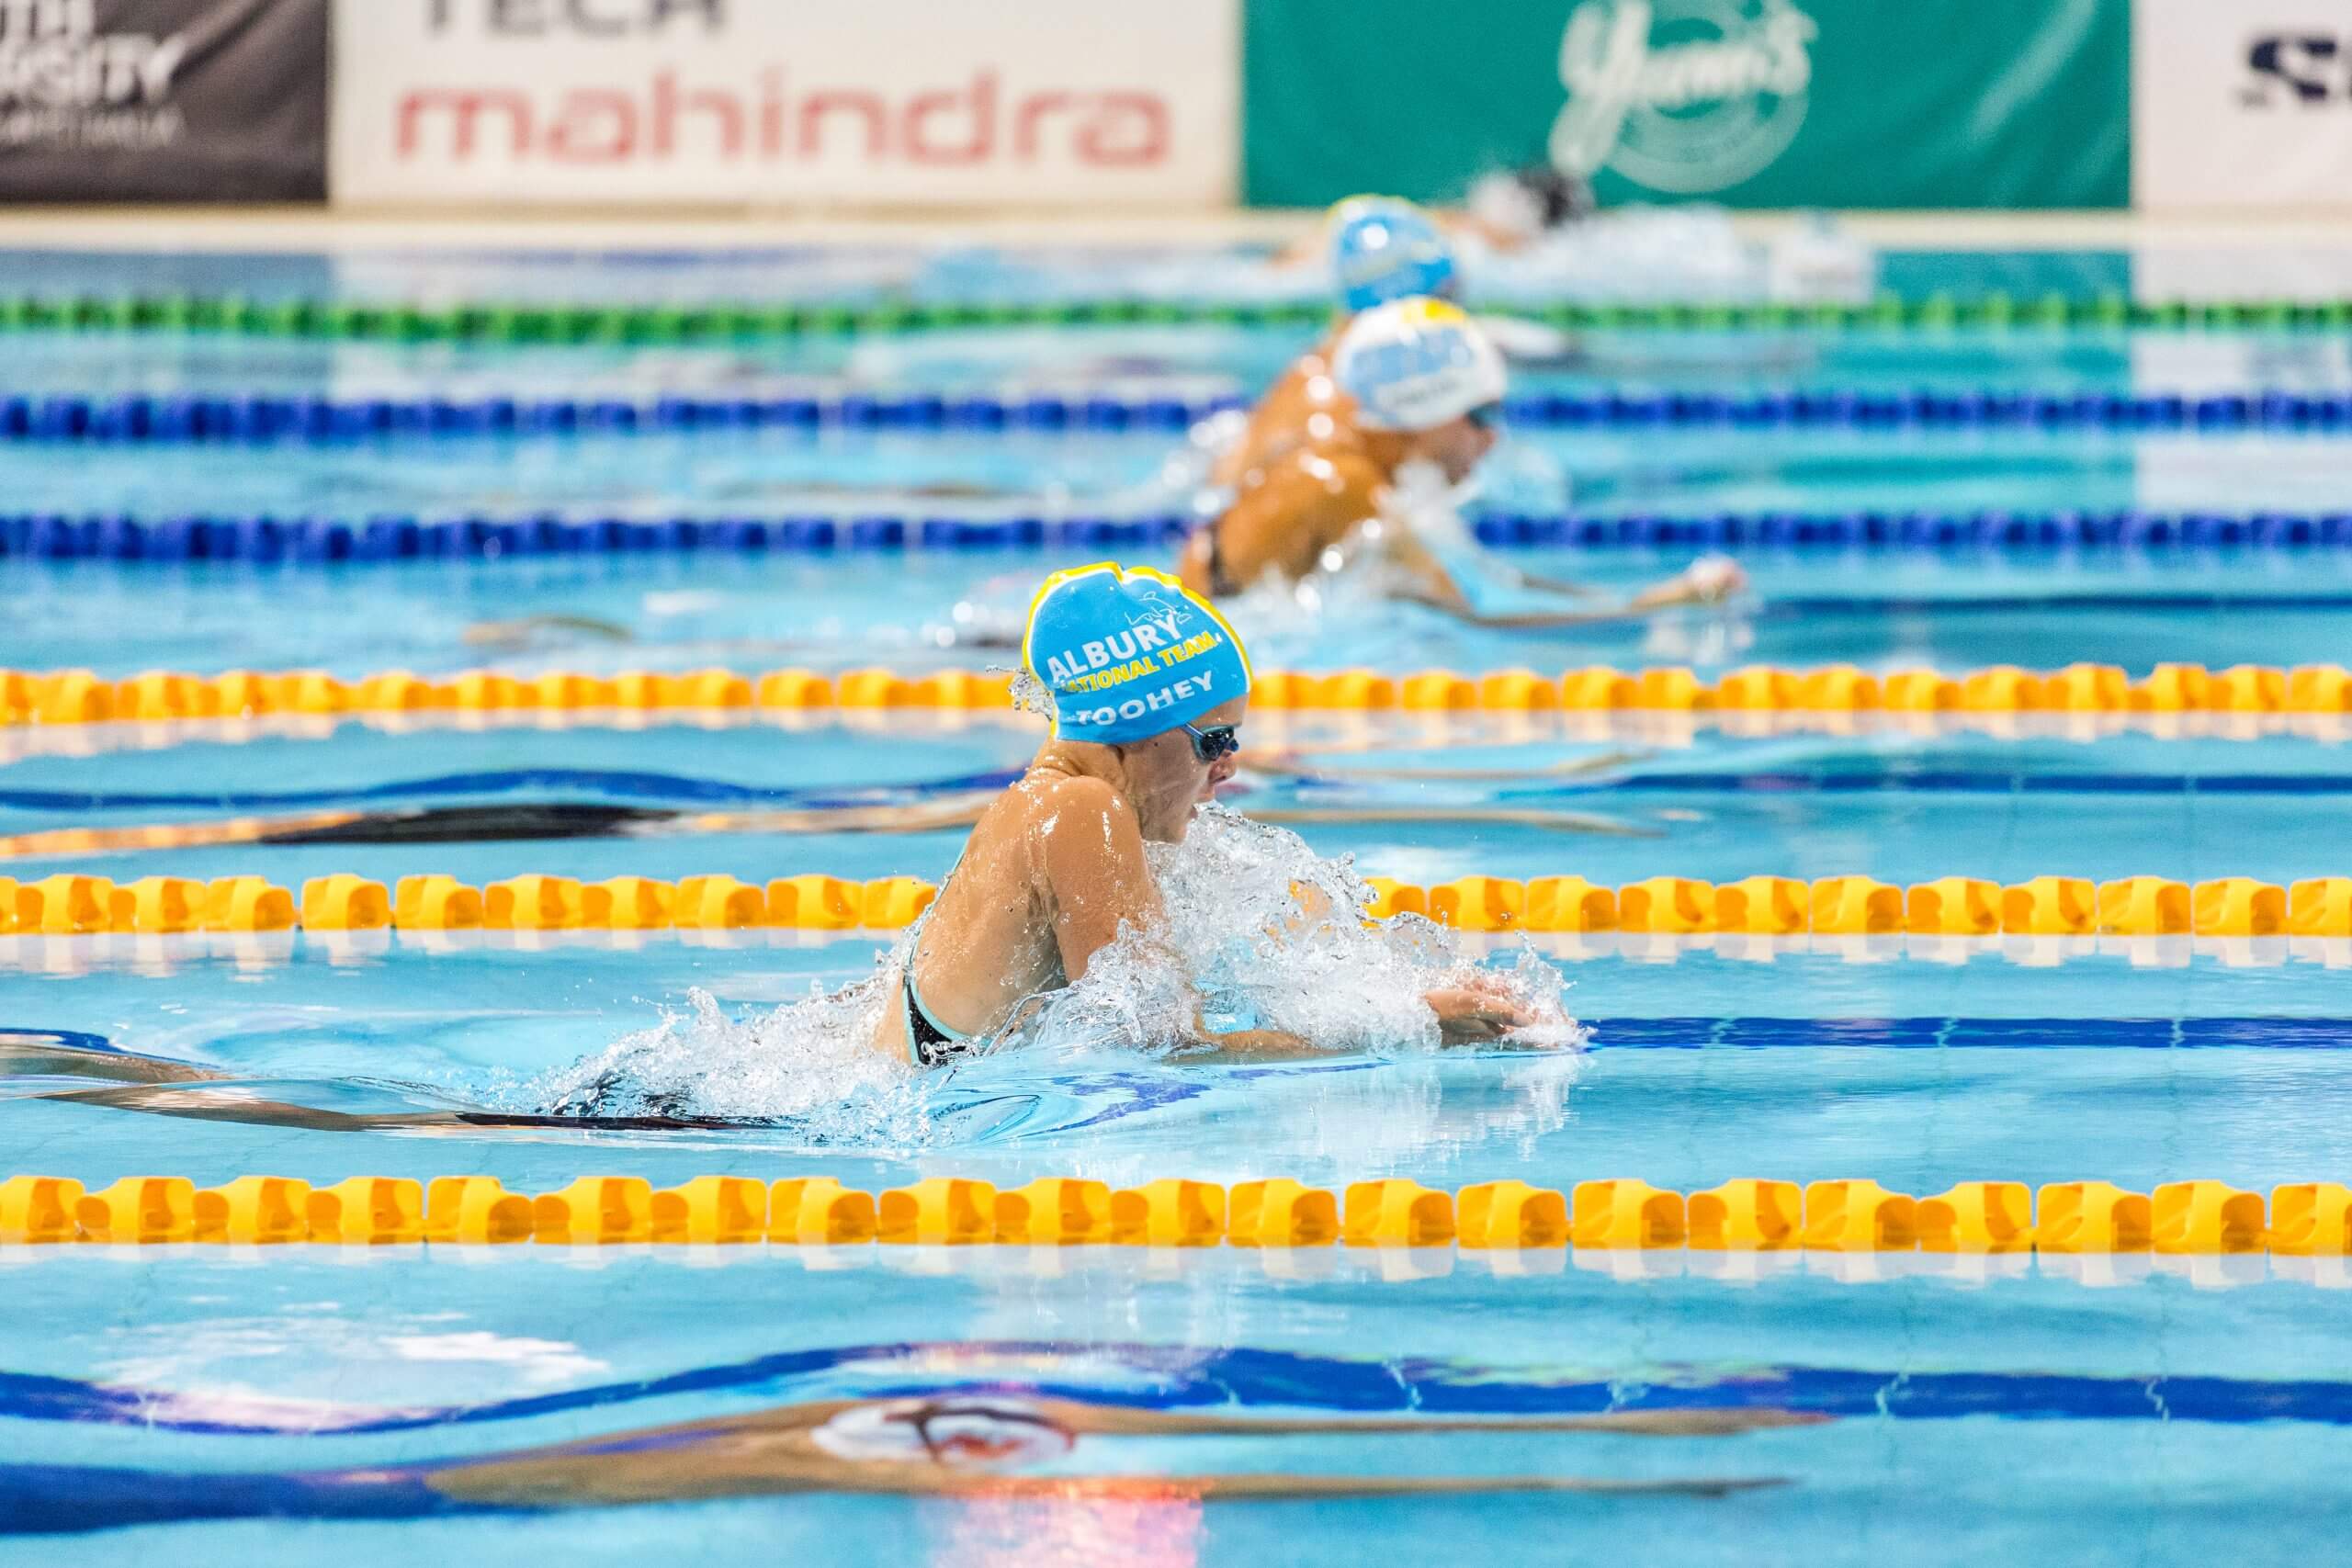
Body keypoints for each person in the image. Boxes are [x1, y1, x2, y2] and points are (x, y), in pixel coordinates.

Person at [873, 559, 1544, 1066]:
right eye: (1214, 741)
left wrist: (1406, 990)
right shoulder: (1083, 809)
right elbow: (1166, 1049)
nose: (1230, 767)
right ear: (1139, 729)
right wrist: (1408, 1027)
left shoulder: (1050, 808)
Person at [1182, 297, 1742, 624]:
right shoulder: (1340, 485)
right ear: (1425, 413)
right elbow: (1481, 611)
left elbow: (1484, 579)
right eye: (1480, 416)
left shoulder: (1349, 470)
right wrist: (1660, 603)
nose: (1491, 440)